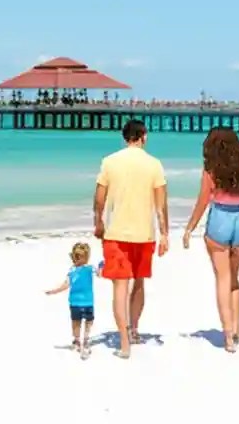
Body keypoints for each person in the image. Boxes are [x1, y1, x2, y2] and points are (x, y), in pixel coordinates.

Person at [180, 127, 239, 353]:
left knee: (222, 279)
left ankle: (228, 336)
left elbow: (202, 202)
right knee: (234, 278)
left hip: (219, 220)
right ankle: (237, 329)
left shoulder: (211, 169)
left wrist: (190, 228)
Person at [93, 119, 168, 359]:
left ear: (125, 138)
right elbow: (161, 204)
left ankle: (124, 342)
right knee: (139, 283)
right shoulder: (154, 164)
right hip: (144, 233)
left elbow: (99, 198)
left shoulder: (109, 161)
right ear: (143, 136)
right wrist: (165, 233)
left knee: (120, 287)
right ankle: (135, 329)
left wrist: (98, 222)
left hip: (115, 233)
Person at [44, 242, 100, 359]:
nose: (76, 259)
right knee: (76, 322)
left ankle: (86, 339)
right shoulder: (72, 270)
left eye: (79, 257)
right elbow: (66, 284)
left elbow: (100, 274)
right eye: (75, 257)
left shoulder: (90, 268)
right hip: (75, 302)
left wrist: (103, 267)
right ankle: (77, 340)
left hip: (88, 301)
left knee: (89, 321)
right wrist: (55, 291)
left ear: (86, 257)